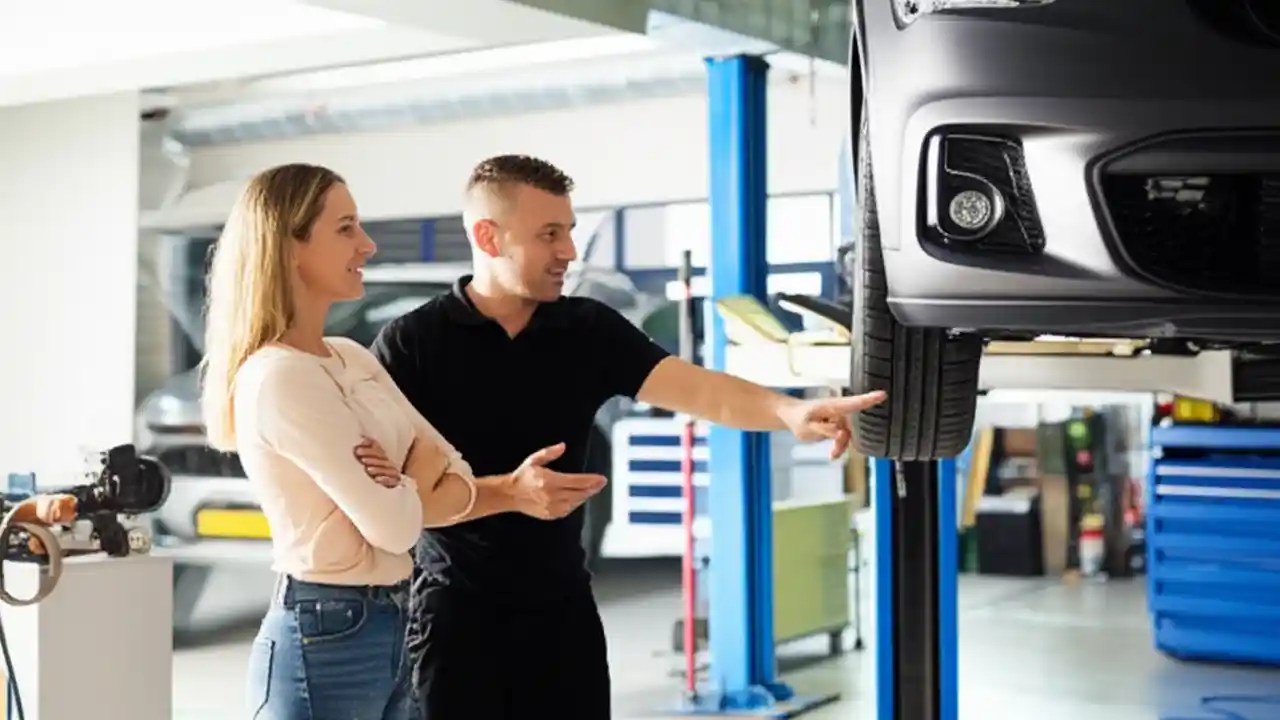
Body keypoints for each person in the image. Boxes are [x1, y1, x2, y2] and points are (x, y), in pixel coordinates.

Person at [362, 154, 888, 719]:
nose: (568, 251)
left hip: (564, 614)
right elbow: (390, 497)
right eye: (549, 234)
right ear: (488, 237)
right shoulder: (412, 344)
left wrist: (789, 411)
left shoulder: (585, 329)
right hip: (456, 622)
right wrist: (507, 490)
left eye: (569, 232)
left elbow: (699, 390)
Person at [197, 163, 606, 720]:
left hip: (392, 620)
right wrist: (414, 468)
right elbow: (397, 525)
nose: (366, 244)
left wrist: (401, 476)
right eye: (345, 228)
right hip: (323, 640)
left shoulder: (351, 356)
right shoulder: (280, 376)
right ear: (288, 247)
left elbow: (452, 475)